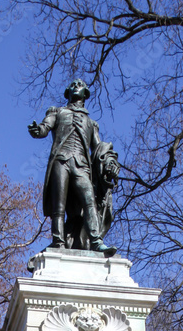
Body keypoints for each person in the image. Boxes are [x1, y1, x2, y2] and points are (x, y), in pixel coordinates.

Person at [28, 78, 118, 255]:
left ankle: (96, 241)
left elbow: (99, 148)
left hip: (82, 166)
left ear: (85, 93)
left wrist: (108, 162)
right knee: (59, 205)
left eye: (80, 85)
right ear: (68, 91)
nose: (76, 85)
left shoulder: (92, 124)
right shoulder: (58, 112)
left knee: (89, 200)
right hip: (61, 161)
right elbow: (45, 128)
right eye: (73, 85)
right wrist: (37, 130)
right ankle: (58, 241)